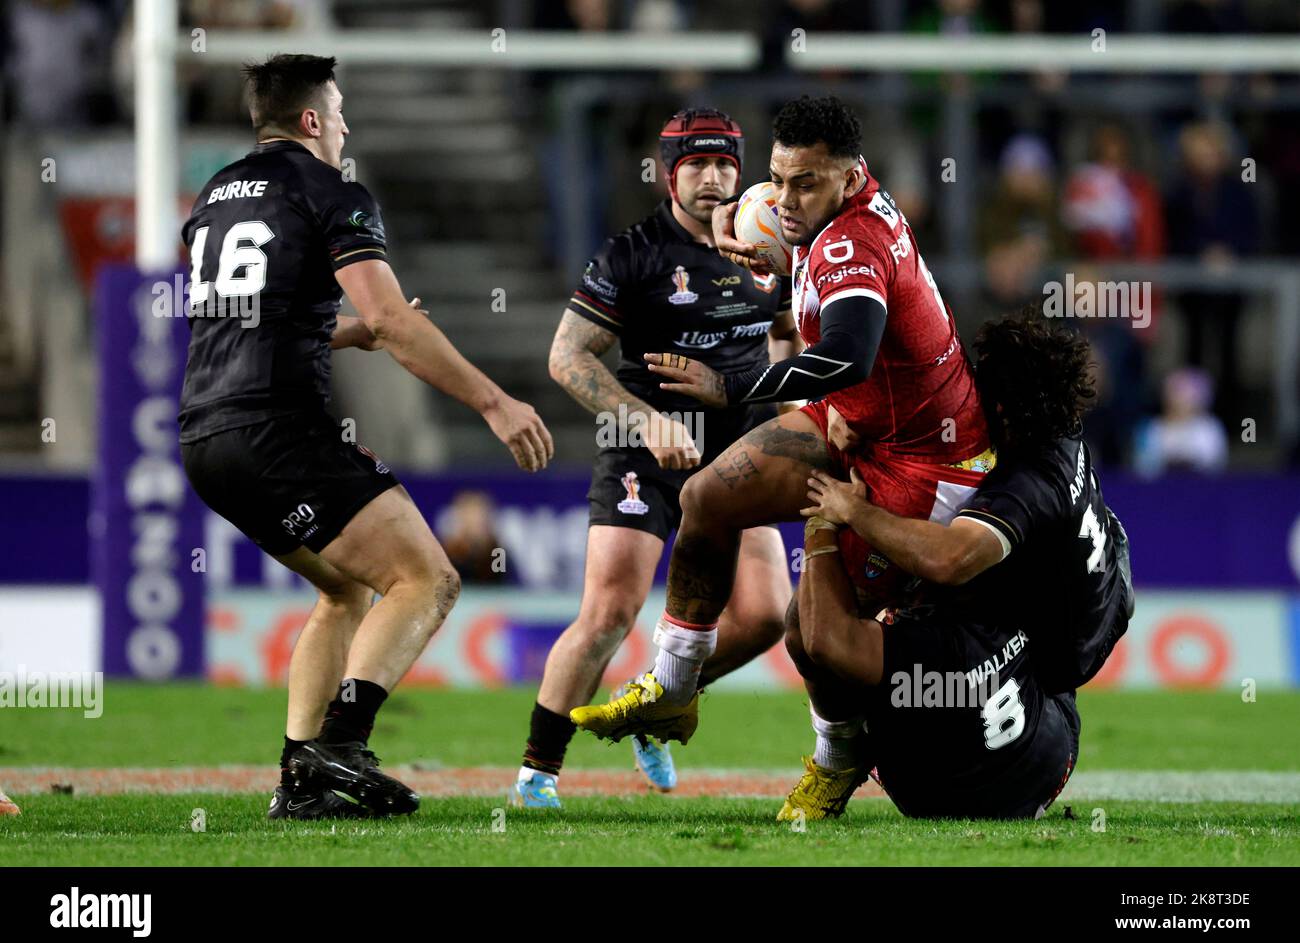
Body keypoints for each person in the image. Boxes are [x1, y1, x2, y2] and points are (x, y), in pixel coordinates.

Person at [178, 54, 552, 819]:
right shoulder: (332, 191)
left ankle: (298, 781)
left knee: (344, 588)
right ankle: (341, 745)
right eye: (340, 112)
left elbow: (257, 316)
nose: (346, 126)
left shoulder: (215, 195)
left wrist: (350, 337)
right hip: (278, 429)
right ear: (313, 120)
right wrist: (493, 401)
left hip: (205, 438)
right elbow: (391, 315)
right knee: (429, 578)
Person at [571, 94, 992, 745]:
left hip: (924, 459)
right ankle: (673, 689)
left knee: (809, 629)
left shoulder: (852, 242)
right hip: (862, 422)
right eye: (779, 176)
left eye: (806, 183)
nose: (786, 199)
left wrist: (732, 383)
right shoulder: (832, 213)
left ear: (848, 178)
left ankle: (836, 758)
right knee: (704, 497)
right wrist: (786, 267)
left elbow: (848, 354)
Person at [514, 108, 799, 808]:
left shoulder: (769, 250)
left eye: (725, 163)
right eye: (696, 164)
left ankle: (654, 700)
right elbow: (565, 357)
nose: (713, 178)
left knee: (767, 614)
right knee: (610, 611)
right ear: (669, 173)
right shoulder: (632, 254)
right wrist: (645, 421)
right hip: (642, 453)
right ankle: (536, 773)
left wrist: (786, 411)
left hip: (735, 455)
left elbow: (791, 334)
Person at [781, 309, 1134, 820]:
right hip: (1071, 685)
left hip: (1046, 670)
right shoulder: (1058, 422)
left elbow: (946, 559)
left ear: (1006, 414)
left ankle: (839, 758)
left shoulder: (1021, 495)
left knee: (823, 631)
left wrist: (841, 512)